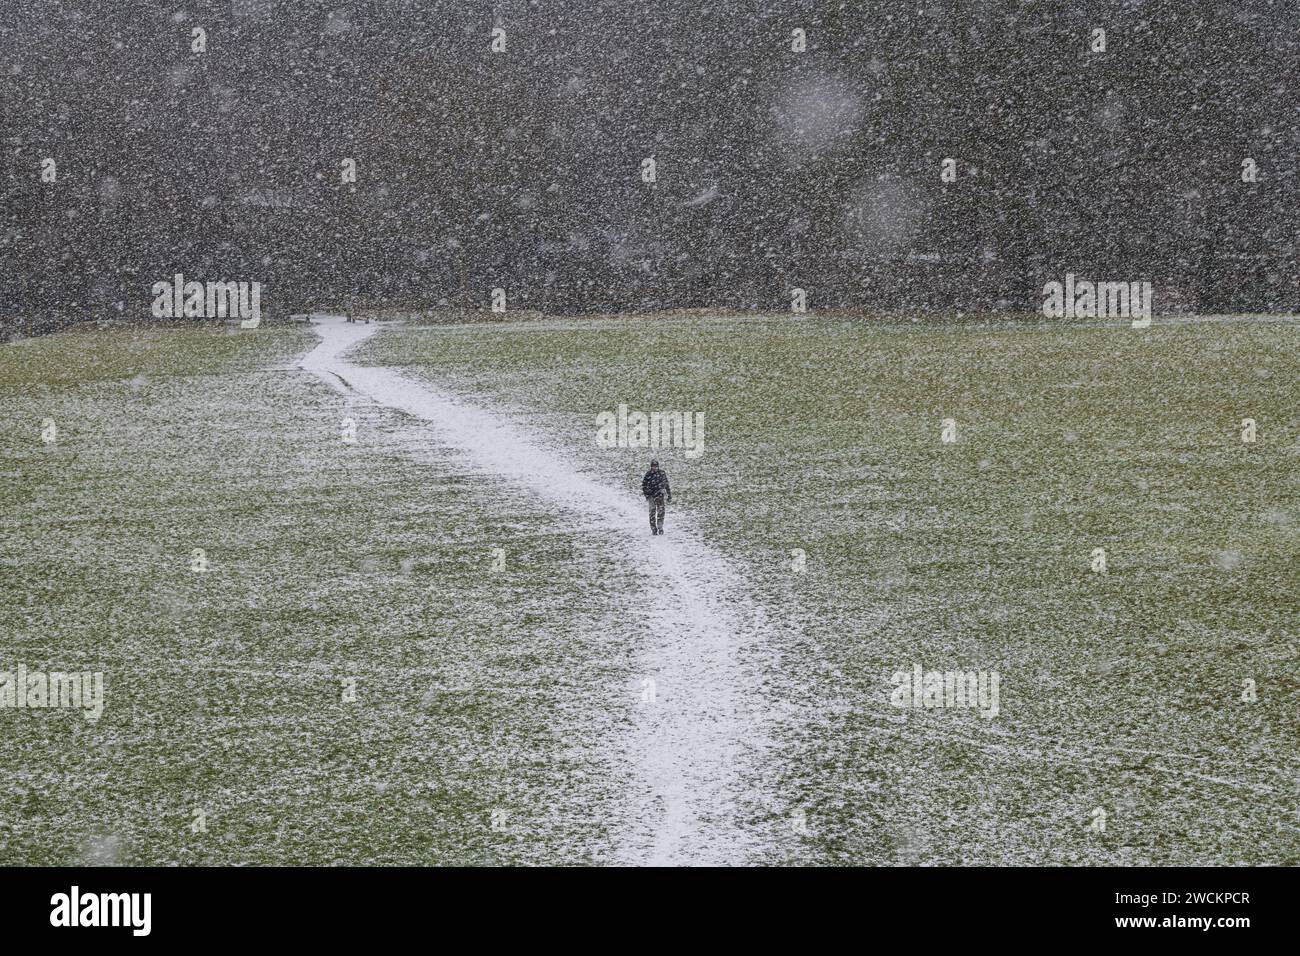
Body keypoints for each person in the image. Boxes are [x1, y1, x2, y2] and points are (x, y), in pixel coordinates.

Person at [641, 459, 671, 535]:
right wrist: (647, 494)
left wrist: (669, 494)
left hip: (660, 495)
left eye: (656, 466)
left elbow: (666, 484)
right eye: (653, 466)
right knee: (652, 512)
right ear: (651, 467)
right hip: (651, 496)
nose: (655, 468)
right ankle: (653, 528)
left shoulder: (662, 473)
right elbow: (644, 485)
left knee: (661, 511)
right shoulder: (648, 474)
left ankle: (660, 527)